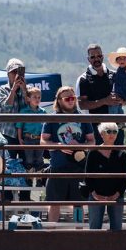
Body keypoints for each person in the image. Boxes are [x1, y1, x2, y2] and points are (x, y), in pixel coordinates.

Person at [42, 86, 94, 224]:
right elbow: (43, 141)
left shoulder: (83, 118)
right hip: (57, 167)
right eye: (67, 98)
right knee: (54, 203)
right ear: (59, 101)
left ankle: (79, 231)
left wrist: (80, 146)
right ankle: (51, 231)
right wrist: (58, 146)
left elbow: (92, 141)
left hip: (78, 167)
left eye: (73, 98)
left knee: (78, 204)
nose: (71, 101)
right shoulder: (51, 118)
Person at [0, 59, 41, 173]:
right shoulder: (3, 89)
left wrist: (24, 89)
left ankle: (27, 185)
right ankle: (9, 185)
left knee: (28, 164)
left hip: (26, 134)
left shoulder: (29, 89)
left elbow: (31, 107)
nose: (17, 75)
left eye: (20, 72)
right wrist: (13, 90)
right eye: (14, 72)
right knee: (8, 165)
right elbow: (5, 108)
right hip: (8, 133)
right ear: (8, 74)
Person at [85, 123, 126, 230]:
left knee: (117, 229)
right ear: (101, 134)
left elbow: (125, 179)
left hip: (116, 197)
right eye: (108, 131)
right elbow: (87, 176)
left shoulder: (122, 154)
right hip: (96, 196)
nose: (112, 134)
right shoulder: (93, 153)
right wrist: (94, 194)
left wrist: (117, 194)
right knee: (94, 228)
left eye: (115, 132)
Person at [77, 44, 124, 120]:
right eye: (92, 57)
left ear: (103, 56)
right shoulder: (83, 79)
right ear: (88, 59)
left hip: (116, 123)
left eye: (99, 56)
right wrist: (104, 101)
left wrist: (121, 100)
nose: (96, 59)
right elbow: (82, 105)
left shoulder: (115, 75)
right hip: (94, 124)